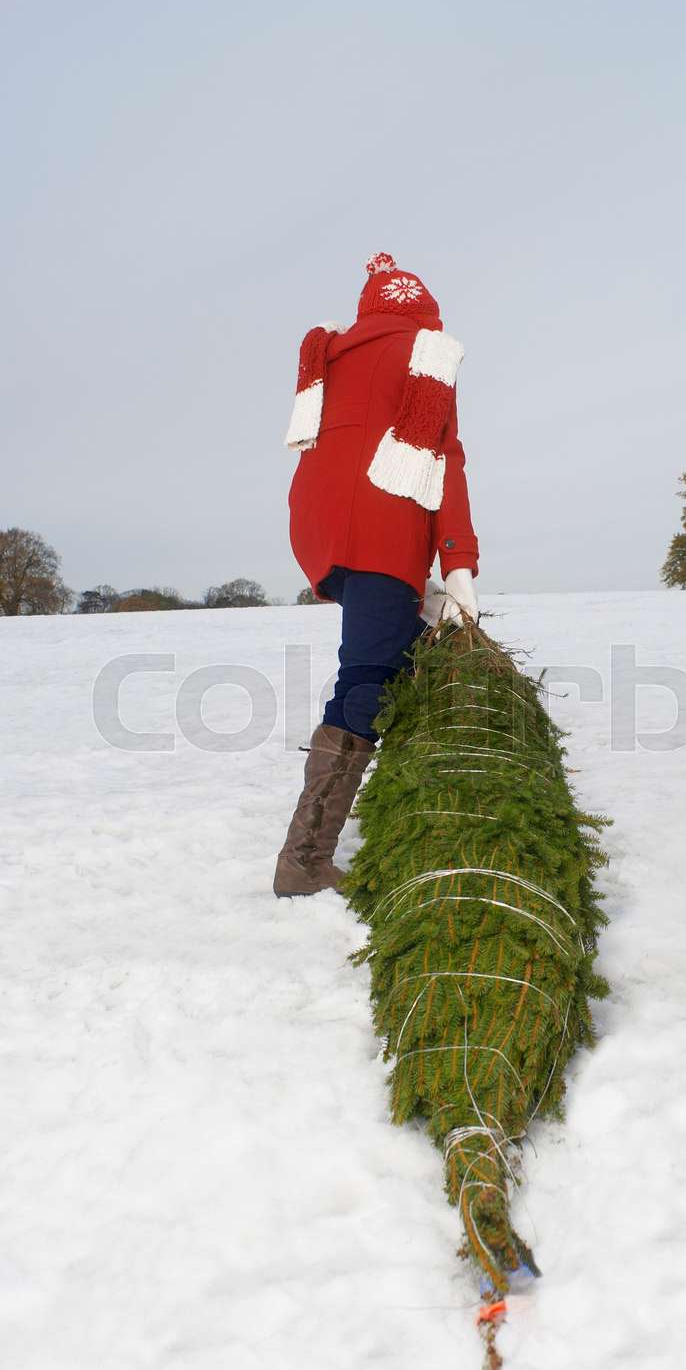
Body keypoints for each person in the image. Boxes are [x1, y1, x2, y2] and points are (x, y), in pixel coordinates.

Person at [273, 253, 479, 898]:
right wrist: (459, 563)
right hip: (384, 530)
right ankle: (303, 860)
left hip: (321, 531)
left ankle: (421, 803)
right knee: (365, 680)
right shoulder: (427, 355)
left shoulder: (331, 353)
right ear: (424, 313)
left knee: (400, 653)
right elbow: (445, 462)